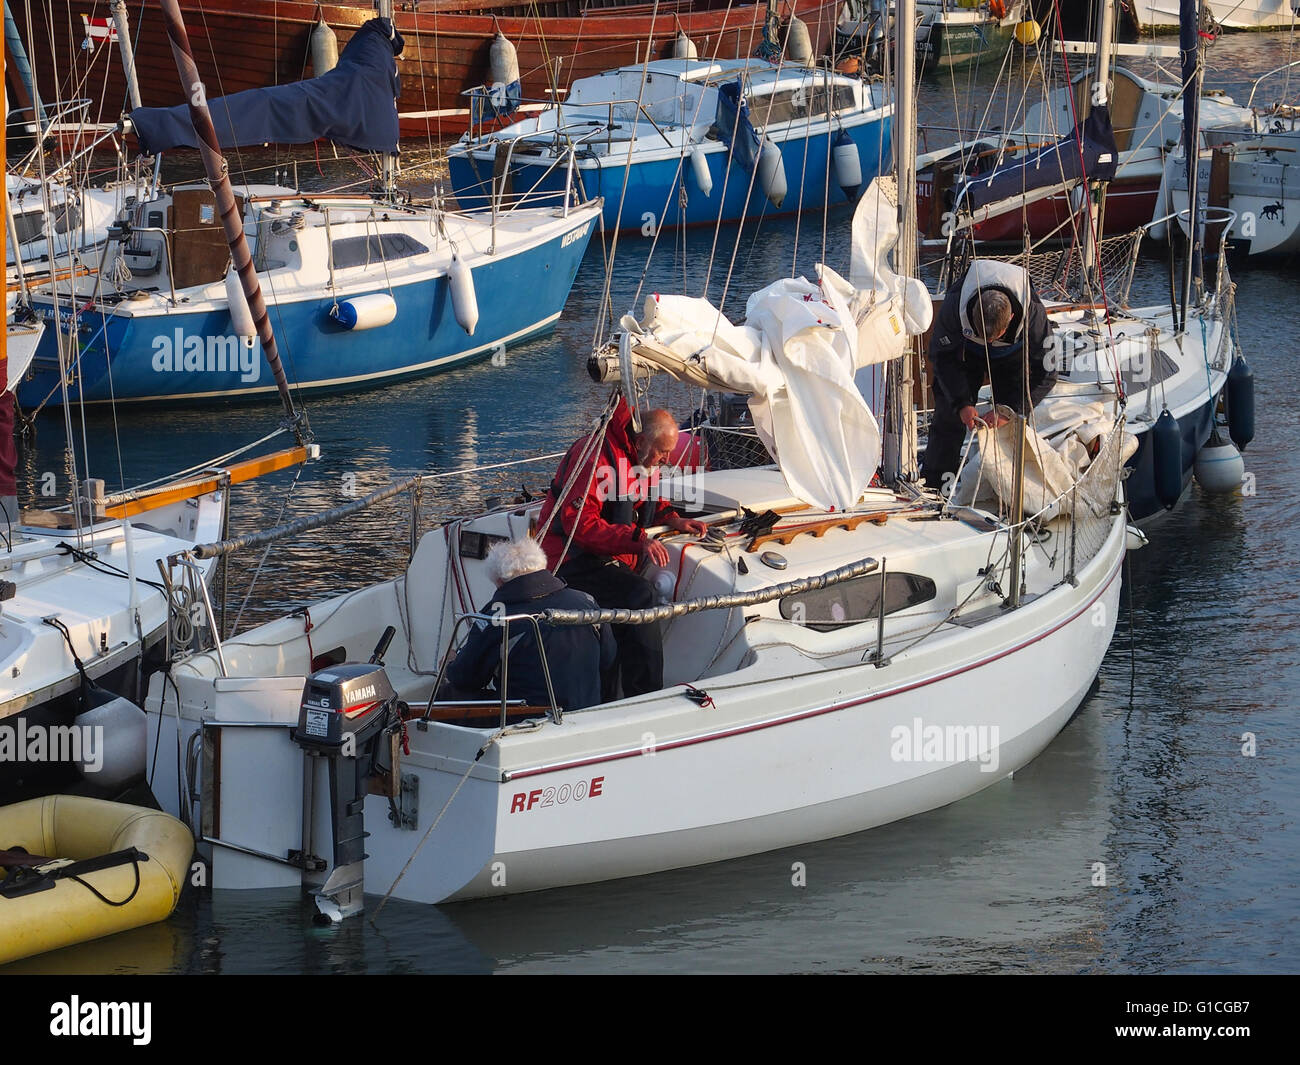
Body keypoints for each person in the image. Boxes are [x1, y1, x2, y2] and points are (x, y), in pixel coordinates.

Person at [536, 399, 707, 699]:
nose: (666, 460)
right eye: (663, 452)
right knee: (640, 595)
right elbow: (580, 523)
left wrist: (673, 519)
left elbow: (641, 501)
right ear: (641, 441)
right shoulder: (594, 458)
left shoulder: (637, 456)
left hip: (608, 557)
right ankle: (645, 696)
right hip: (570, 559)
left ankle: (618, 695)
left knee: (627, 601)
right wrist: (638, 540)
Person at [920, 259, 1058, 493]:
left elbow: (1046, 374)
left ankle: (1007, 490)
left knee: (1009, 426)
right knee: (948, 417)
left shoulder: (1034, 316)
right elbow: (941, 356)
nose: (989, 343)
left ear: (1012, 318)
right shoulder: (955, 305)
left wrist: (1009, 410)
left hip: (1012, 359)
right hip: (966, 356)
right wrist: (962, 403)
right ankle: (937, 486)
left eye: (993, 338)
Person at [447, 538, 615, 712]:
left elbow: (466, 678)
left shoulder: (496, 617)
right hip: (584, 709)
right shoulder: (585, 601)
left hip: (526, 717)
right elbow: (608, 657)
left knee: (448, 694)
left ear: (499, 582)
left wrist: (450, 664)